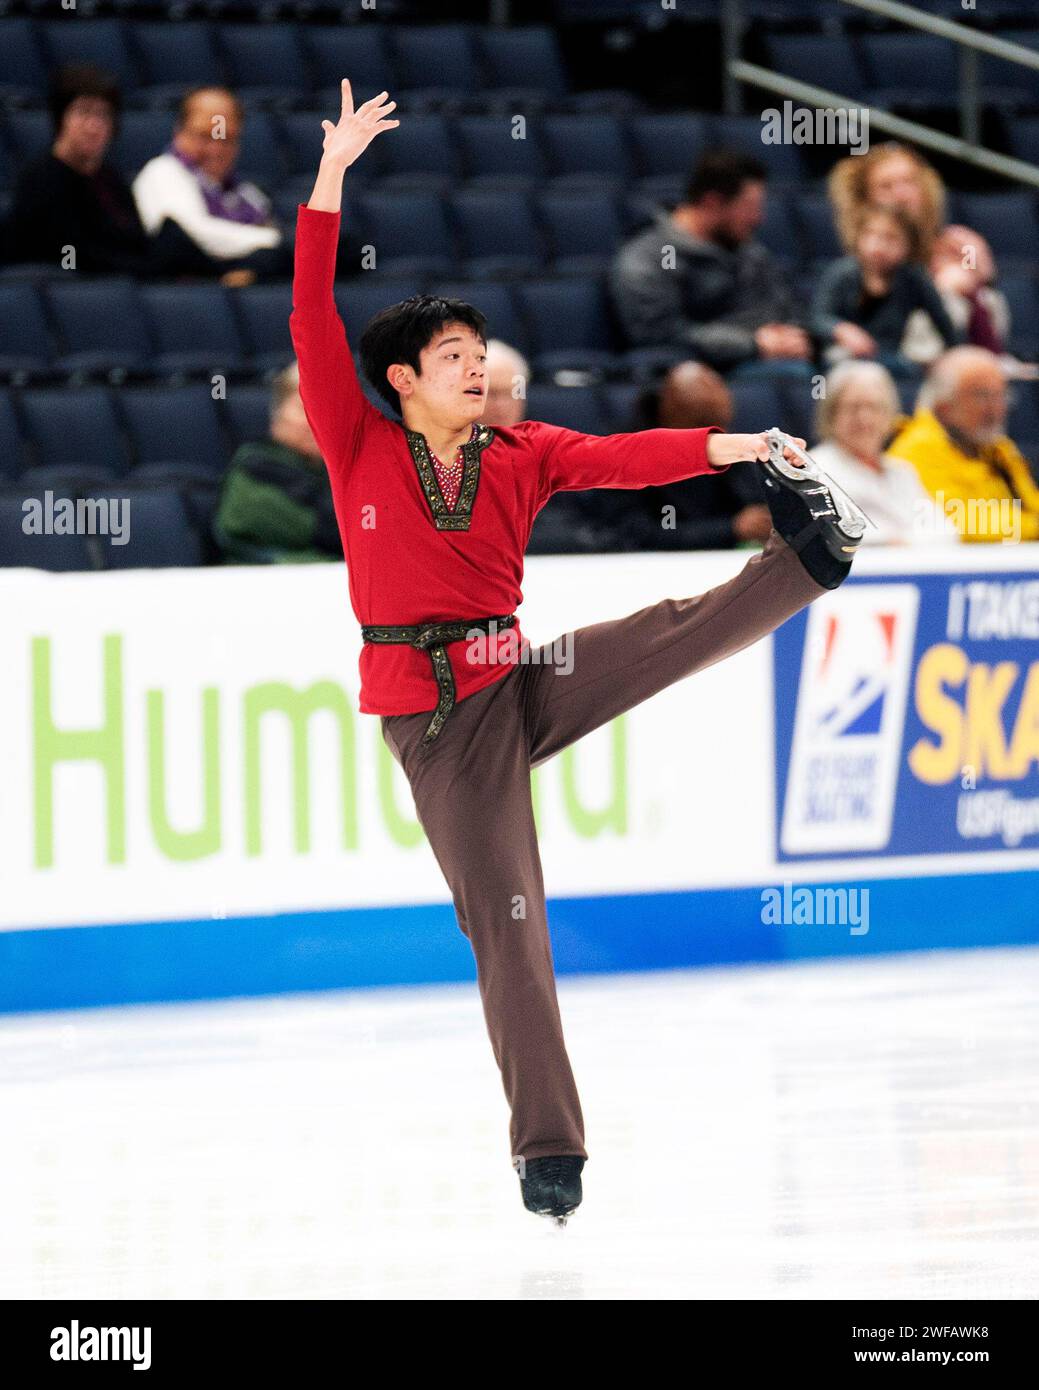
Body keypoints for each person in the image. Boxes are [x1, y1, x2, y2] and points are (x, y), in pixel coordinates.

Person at [290, 81, 866, 1223]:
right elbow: (311, 313)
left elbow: (625, 456)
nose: (476, 367)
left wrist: (740, 441)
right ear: (401, 379)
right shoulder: (356, 441)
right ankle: (547, 1149)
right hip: (440, 721)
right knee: (510, 919)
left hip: (519, 675)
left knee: (658, 633)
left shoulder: (519, 449)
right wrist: (331, 175)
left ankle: (808, 562)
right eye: (454, 355)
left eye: (480, 353)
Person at [609, 150, 816, 375]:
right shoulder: (648, 257)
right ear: (712, 202)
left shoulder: (749, 251)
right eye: (749, 207)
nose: (759, 218)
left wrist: (792, 336)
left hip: (772, 360)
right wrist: (752, 344)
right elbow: (660, 334)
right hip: (709, 371)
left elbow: (784, 306)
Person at [0, 63, 212, 276]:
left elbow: (135, 241)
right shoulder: (42, 178)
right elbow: (70, 257)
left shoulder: (109, 178)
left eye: (103, 115)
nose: (93, 126)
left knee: (173, 239)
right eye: (83, 112)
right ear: (61, 118)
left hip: (121, 278)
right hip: (73, 287)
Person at [827, 142, 1012, 366]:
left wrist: (976, 273)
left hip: (957, 351)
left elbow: (977, 285)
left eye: (909, 182)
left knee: (986, 297)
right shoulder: (864, 254)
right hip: (887, 353)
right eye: (887, 186)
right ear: (865, 198)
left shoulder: (958, 243)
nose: (901, 195)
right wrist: (942, 289)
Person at [603, 362, 773, 550]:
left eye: (718, 429)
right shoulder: (626, 455)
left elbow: (753, 503)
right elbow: (638, 536)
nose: (712, 440)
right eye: (700, 430)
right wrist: (730, 528)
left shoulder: (723, 439)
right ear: (668, 416)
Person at [132, 86, 291, 286]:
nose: (216, 149)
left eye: (226, 138)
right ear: (179, 132)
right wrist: (275, 241)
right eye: (205, 136)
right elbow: (193, 232)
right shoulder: (162, 172)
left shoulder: (245, 192)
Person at [888, 346, 1039, 542]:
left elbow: (1030, 503)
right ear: (943, 405)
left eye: (1000, 395)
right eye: (982, 395)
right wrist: (1033, 526)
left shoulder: (999, 449)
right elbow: (953, 520)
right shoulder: (916, 449)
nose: (995, 408)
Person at [810, 361, 959, 546]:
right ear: (831, 414)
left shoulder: (903, 471)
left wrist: (902, 543)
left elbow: (946, 531)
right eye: (853, 407)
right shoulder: (816, 469)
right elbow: (835, 535)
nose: (865, 419)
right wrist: (898, 542)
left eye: (874, 407)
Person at [213, 360, 343, 564]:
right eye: (304, 409)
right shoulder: (254, 469)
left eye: (328, 411)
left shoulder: (334, 472)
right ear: (277, 412)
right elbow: (327, 531)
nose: (318, 421)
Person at [810, 203, 961, 371]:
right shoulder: (842, 272)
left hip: (891, 360)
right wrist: (841, 330)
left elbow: (945, 325)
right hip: (842, 358)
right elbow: (817, 318)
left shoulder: (913, 278)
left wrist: (955, 360)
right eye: (870, 234)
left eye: (890, 238)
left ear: (907, 246)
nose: (878, 246)